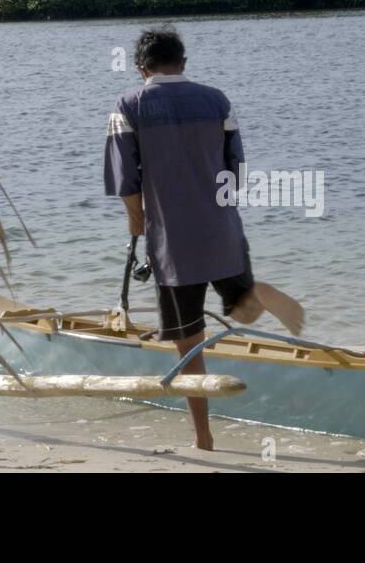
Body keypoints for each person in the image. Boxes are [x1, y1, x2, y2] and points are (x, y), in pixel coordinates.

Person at [104, 25, 304, 451]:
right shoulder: (217, 100)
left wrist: (136, 223)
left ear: (141, 68)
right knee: (243, 310)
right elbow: (238, 173)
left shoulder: (128, 106)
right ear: (184, 63)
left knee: (189, 342)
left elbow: (127, 182)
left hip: (173, 247)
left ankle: (204, 438)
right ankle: (259, 293)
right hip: (224, 232)